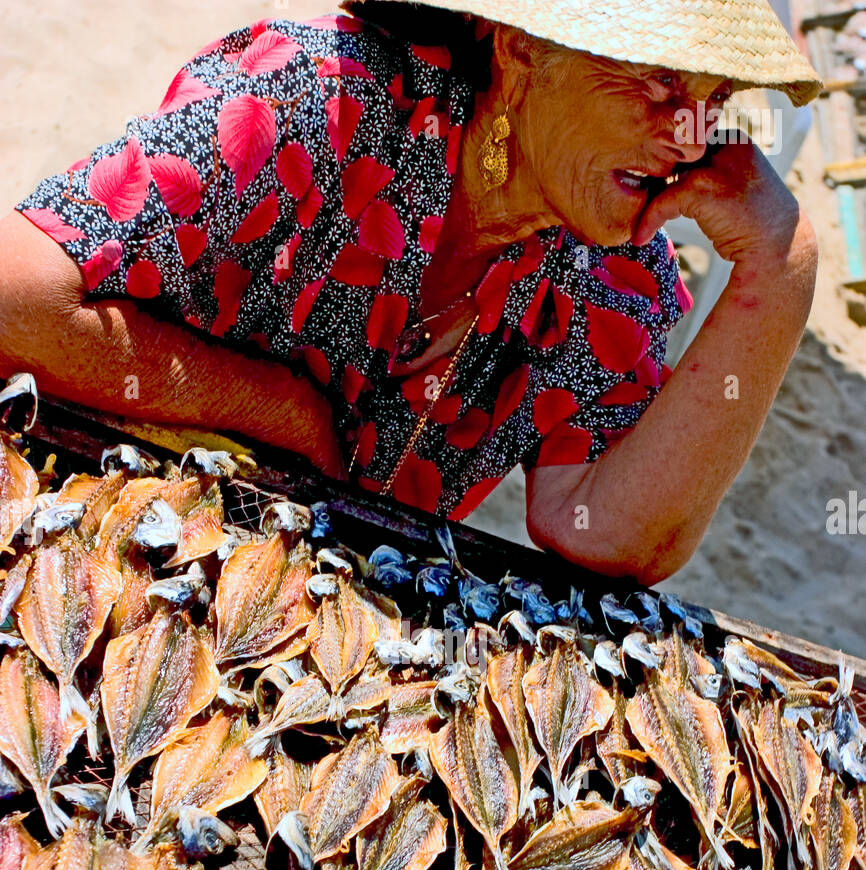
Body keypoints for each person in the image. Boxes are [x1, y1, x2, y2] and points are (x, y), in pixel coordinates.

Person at [0, 0, 821, 582]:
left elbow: (607, 534)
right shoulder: (315, 99)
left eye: (714, 102)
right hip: (76, 525)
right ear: (522, 43)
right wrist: (276, 410)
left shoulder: (615, 275)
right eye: (660, 85)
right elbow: (14, 294)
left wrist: (779, 271)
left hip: (288, 612)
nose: (689, 137)